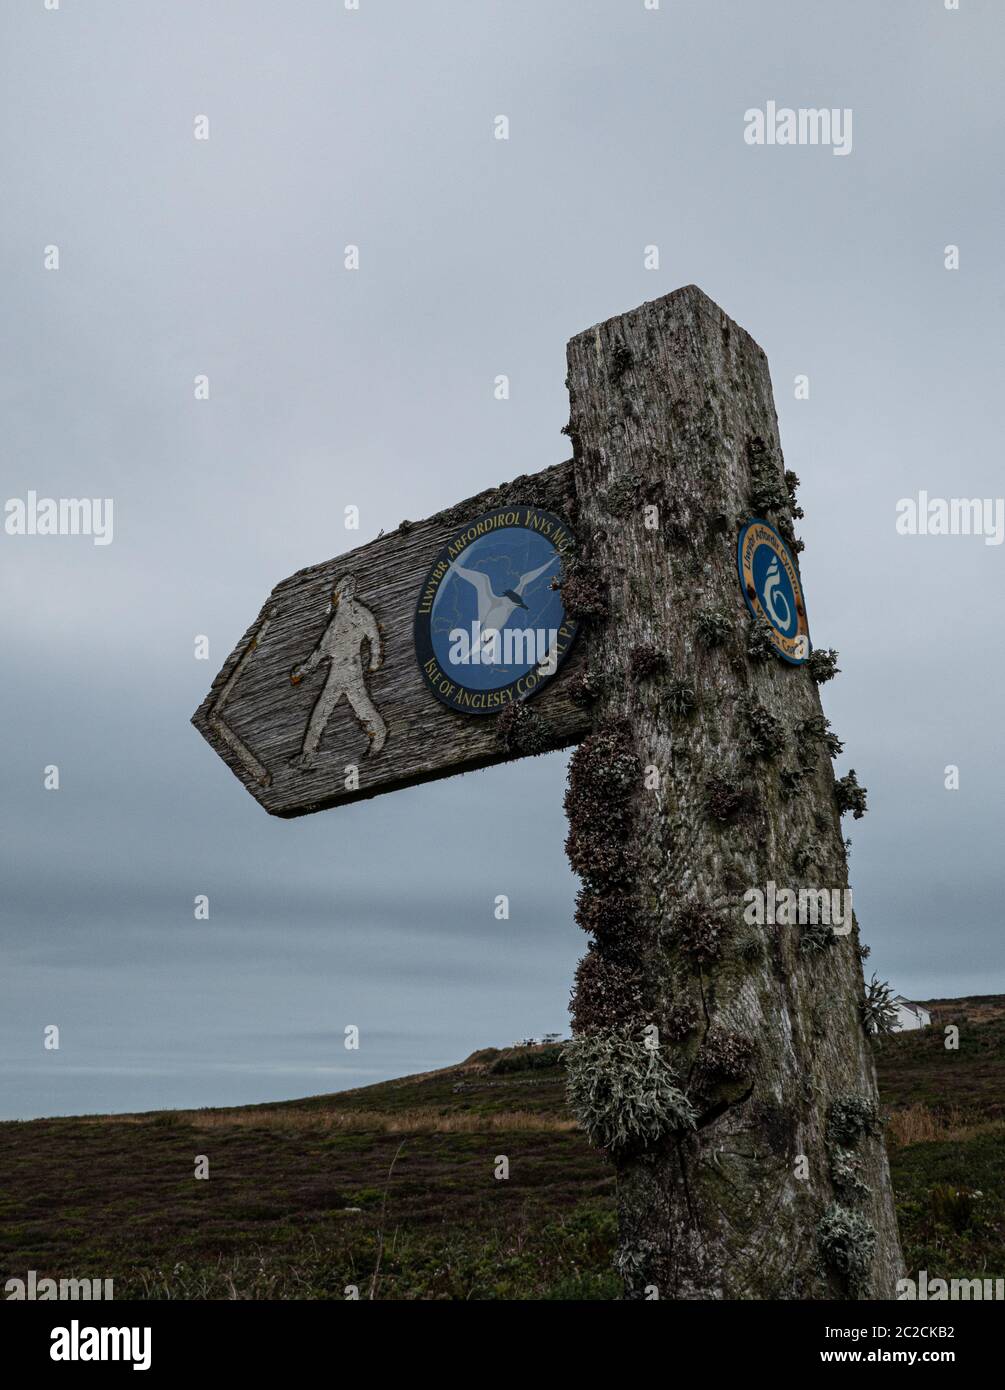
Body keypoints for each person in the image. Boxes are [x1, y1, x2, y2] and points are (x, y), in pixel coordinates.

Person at [290, 574, 386, 761]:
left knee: (358, 707)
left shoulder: (358, 613)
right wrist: (303, 670)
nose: (339, 597)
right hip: (338, 670)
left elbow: (373, 635)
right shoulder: (339, 618)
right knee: (323, 711)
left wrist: (375, 660)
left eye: (341, 592)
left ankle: (380, 735)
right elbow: (321, 650)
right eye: (341, 592)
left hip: (351, 669)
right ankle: (308, 754)